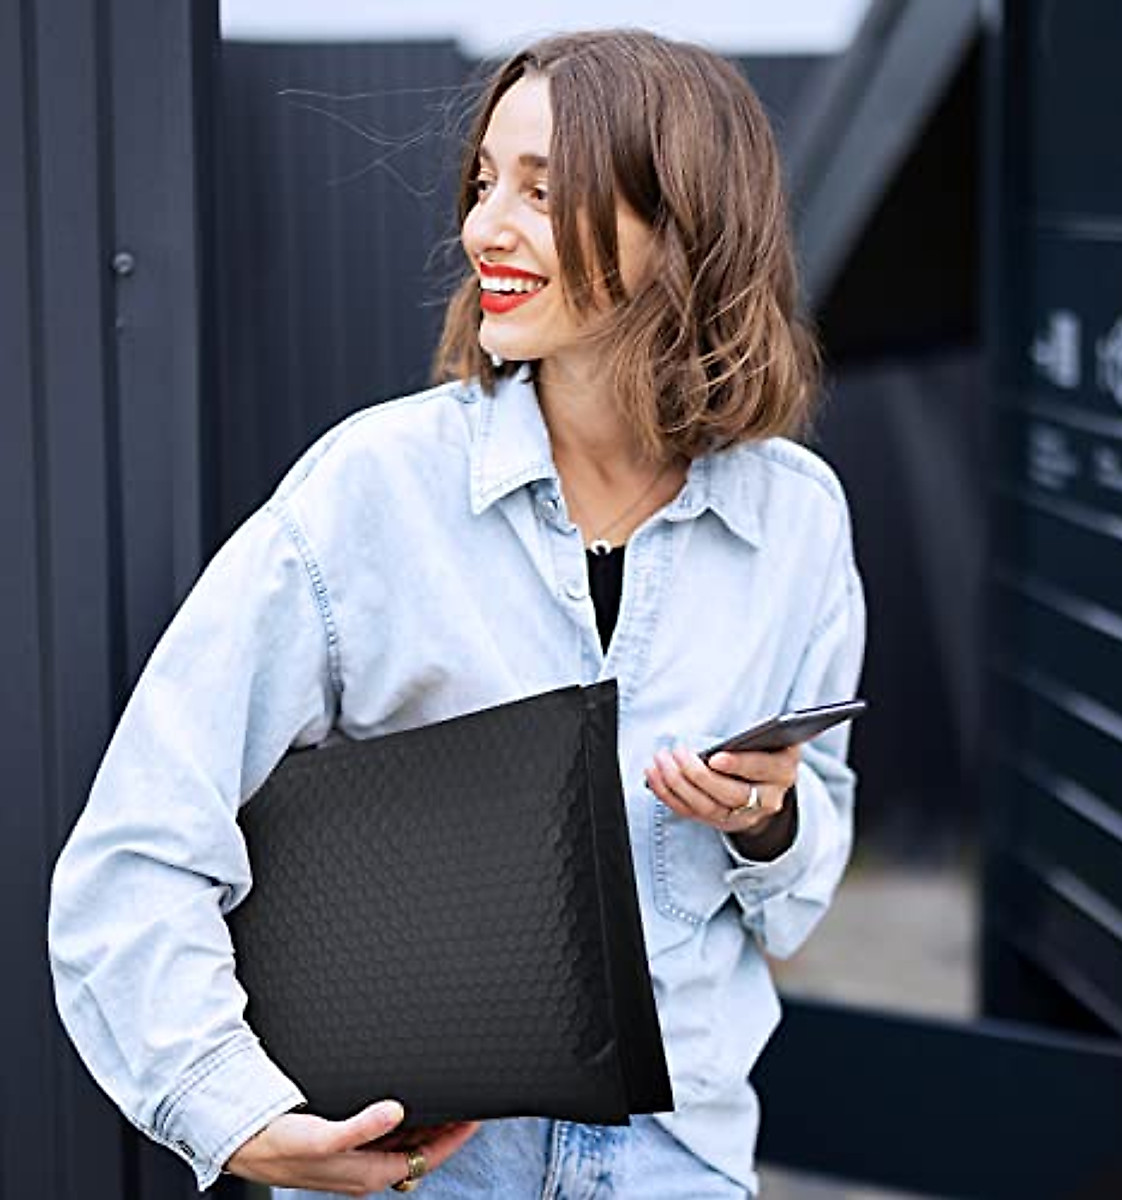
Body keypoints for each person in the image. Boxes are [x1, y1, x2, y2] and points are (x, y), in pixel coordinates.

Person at [48, 28, 865, 1199]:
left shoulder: (799, 520)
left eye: (542, 191)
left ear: (681, 224)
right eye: (484, 184)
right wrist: (229, 1107)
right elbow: (141, 841)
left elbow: (800, 891)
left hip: (679, 1162)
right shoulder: (370, 491)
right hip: (420, 1168)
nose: (485, 228)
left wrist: (768, 821)